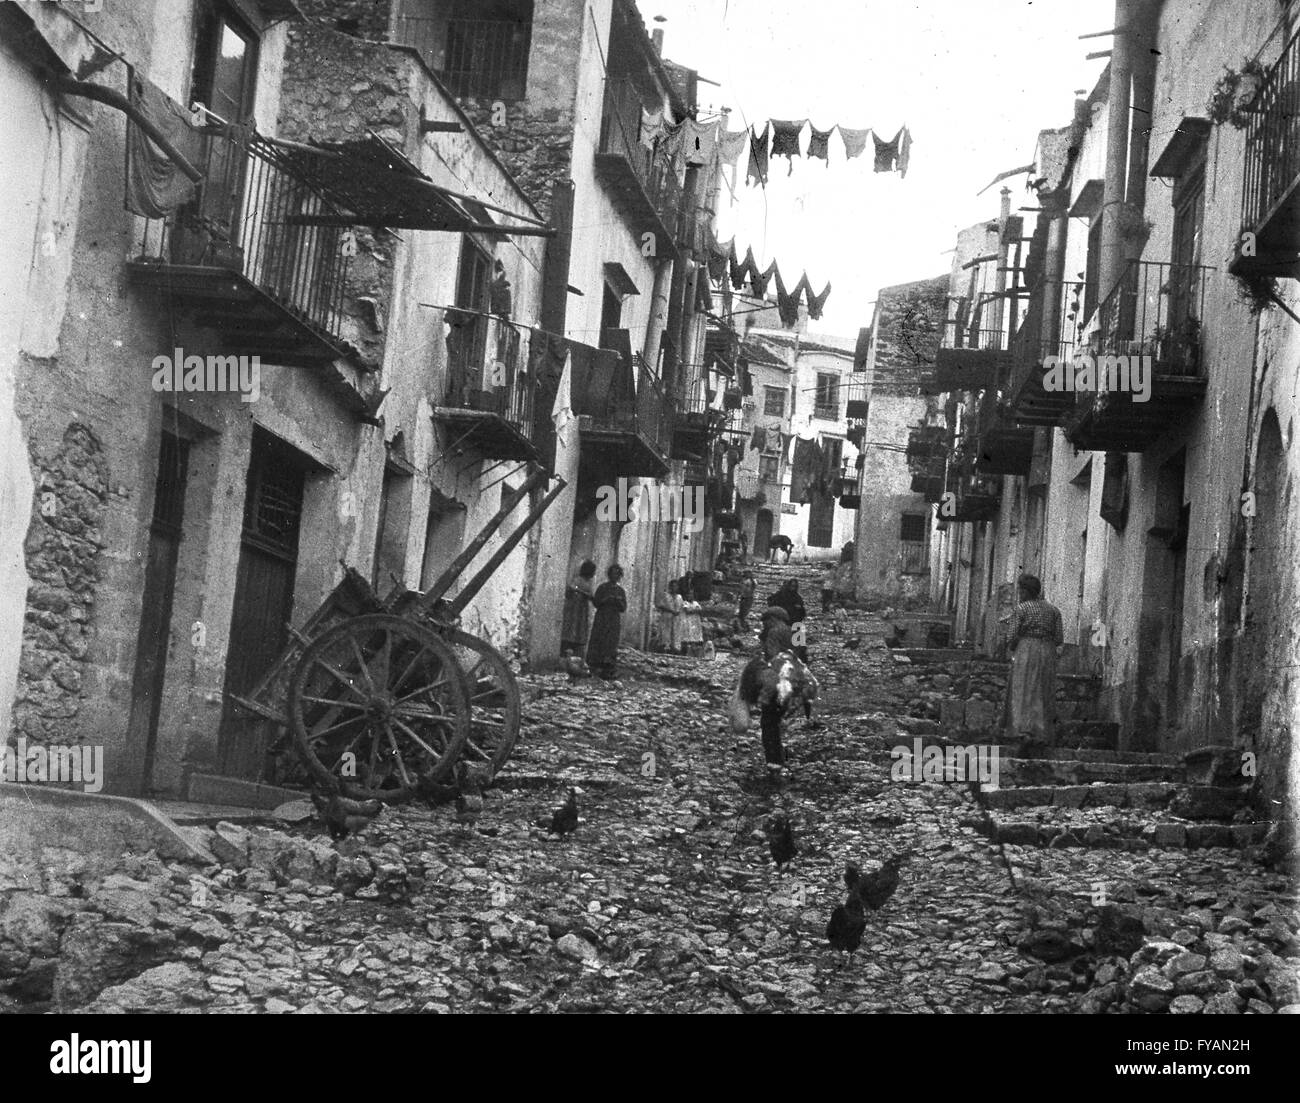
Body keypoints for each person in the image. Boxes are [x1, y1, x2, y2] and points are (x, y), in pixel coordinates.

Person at [1005, 573, 1064, 750]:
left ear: (1024, 591)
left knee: (1023, 688)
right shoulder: (1053, 610)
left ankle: (1024, 730)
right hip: (1047, 651)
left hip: (1026, 648)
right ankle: (1042, 733)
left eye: (1020, 590)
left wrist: (1014, 646)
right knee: (1043, 689)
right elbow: (1059, 638)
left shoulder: (1021, 609)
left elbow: (1012, 635)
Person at [586, 564, 628, 679]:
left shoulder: (620, 591)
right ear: (609, 575)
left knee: (610, 643)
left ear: (620, 576)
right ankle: (594, 666)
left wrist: (617, 601)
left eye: (617, 574)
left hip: (613, 619)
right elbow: (596, 602)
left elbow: (623, 608)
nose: (615, 576)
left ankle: (608, 668)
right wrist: (606, 599)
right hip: (602, 617)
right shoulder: (602, 588)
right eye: (613, 573)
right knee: (599, 639)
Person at [561, 560, 597, 655]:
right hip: (573, 607)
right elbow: (570, 590)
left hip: (582, 609)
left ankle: (575, 650)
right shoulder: (577, 579)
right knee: (571, 626)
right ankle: (566, 649)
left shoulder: (588, 582)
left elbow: (591, 595)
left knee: (579, 628)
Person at [655, 579, 683, 653]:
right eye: (673, 586)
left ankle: (673, 649)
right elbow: (660, 605)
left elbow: (681, 607)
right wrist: (670, 611)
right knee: (665, 633)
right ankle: (664, 648)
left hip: (676, 618)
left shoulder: (679, 597)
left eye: (676, 586)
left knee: (675, 634)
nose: (675, 588)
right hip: (666, 617)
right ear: (670, 587)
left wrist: (677, 612)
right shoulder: (665, 595)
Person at [680, 584, 705, 656]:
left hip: (695, 622)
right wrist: (695, 610)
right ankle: (685, 652)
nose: (690, 595)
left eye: (692, 594)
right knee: (687, 636)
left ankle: (693, 652)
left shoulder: (695, 603)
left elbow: (700, 610)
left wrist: (695, 610)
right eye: (689, 594)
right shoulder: (685, 603)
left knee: (695, 637)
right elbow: (688, 611)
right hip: (688, 622)